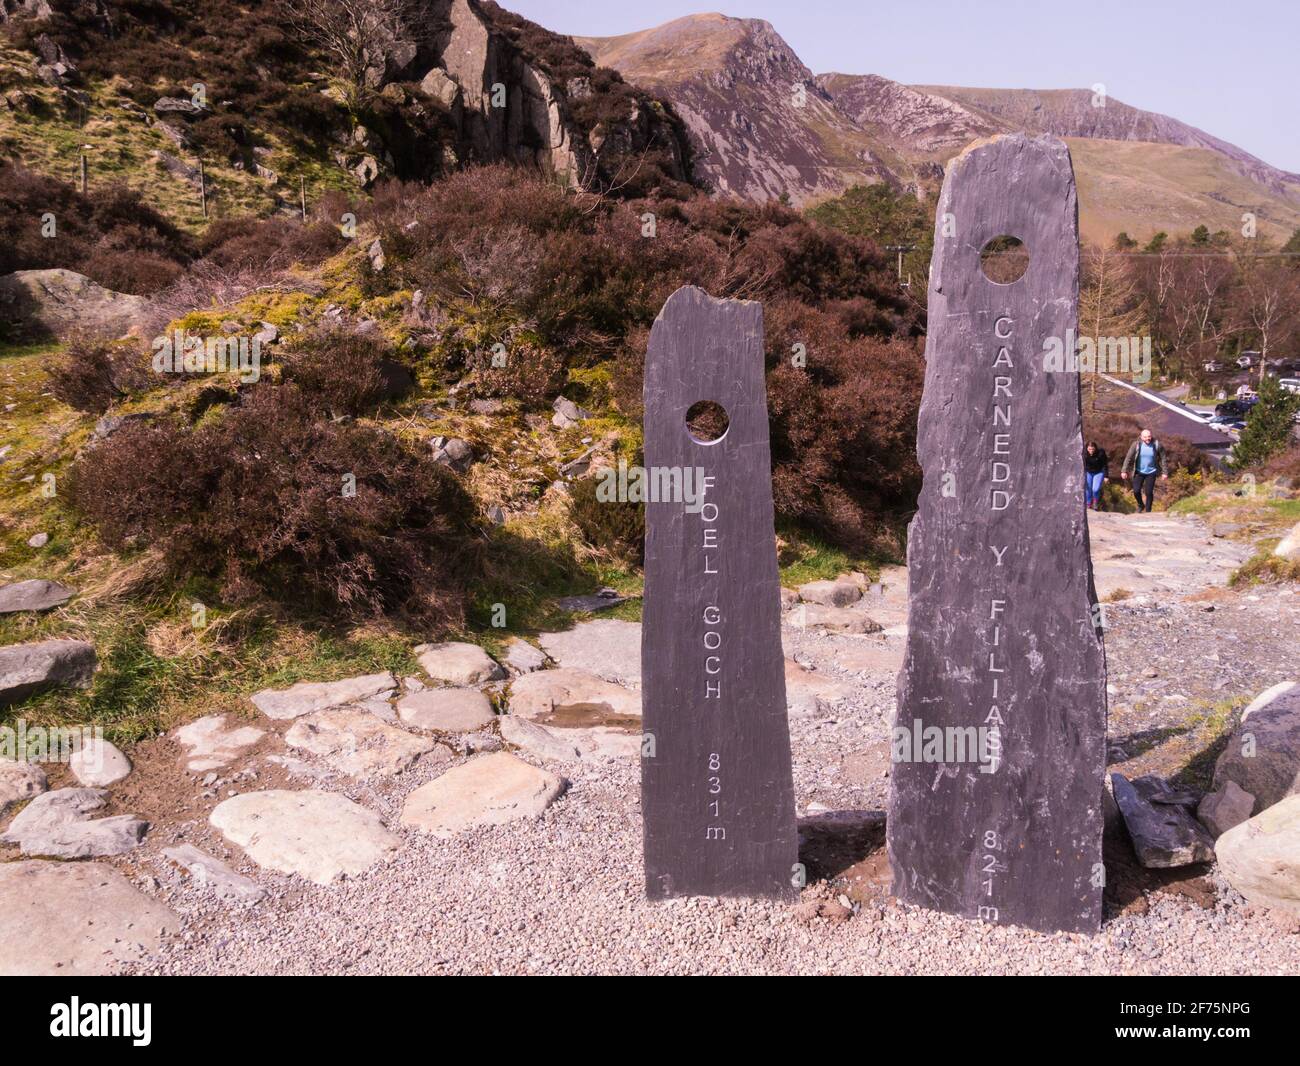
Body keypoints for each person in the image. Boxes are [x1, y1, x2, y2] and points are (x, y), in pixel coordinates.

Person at [1120, 428, 1168, 512]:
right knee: (1136, 491)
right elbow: (1128, 457)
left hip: (1151, 472)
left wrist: (1165, 472)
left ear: (1151, 436)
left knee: (1149, 492)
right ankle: (1140, 504)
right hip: (1139, 471)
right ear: (1141, 437)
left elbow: (1163, 458)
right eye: (1145, 437)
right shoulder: (1136, 444)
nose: (1147, 439)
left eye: (1149, 436)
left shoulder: (1156, 445)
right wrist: (1124, 470)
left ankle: (1148, 511)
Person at [1083, 441, 1108, 510]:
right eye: (1089, 449)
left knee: (1095, 489)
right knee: (1088, 489)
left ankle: (1095, 502)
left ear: (1095, 448)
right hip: (1088, 472)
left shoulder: (1100, 453)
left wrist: (1106, 476)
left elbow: (1105, 464)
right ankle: (1088, 503)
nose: (1091, 451)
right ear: (1087, 448)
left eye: (1092, 449)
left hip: (1099, 472)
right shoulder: (1084, 453)